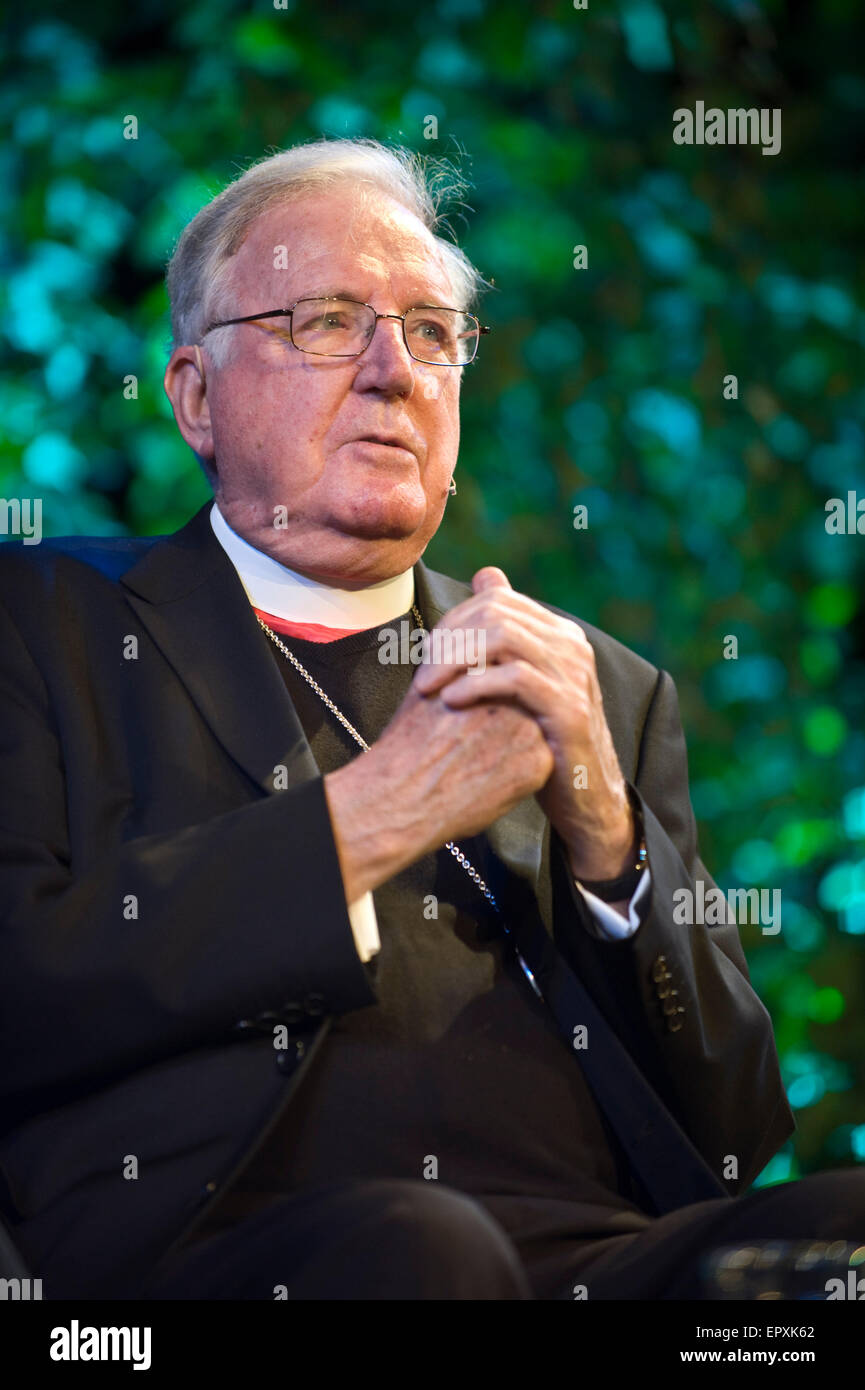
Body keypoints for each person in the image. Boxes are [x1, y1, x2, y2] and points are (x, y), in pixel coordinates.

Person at [0, 138, 860, 1303]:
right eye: (326, 322)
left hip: (605, 1259)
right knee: (428, 1254)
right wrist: (378, 810)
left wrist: (608, 842)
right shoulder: (46, 624)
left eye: (432, 332)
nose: (393, 371)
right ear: (195, 394)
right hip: (235, 1250)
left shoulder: (594, 684)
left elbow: (736, 1129)